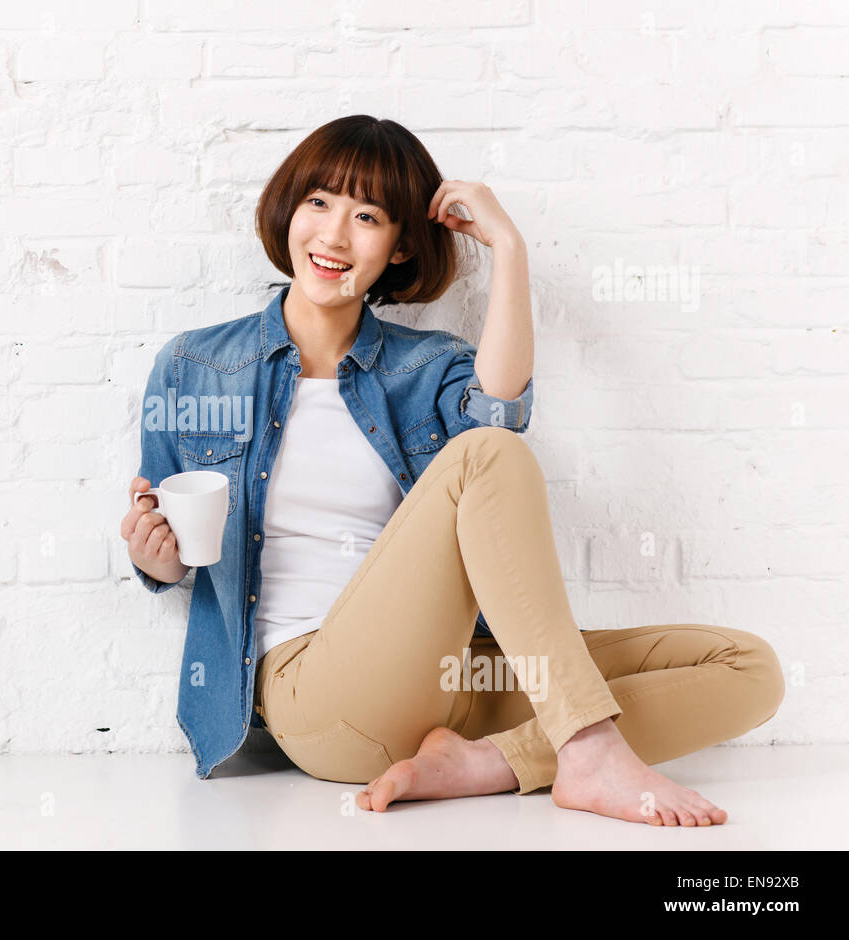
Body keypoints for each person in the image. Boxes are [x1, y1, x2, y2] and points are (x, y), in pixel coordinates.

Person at [120, 115, 785, 826]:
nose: (335, 235)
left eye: (367, 216)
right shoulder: (196, 366)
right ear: (290, 209)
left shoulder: (422, 366)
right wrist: (151, 556)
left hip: (452, 678)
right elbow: (173, 555)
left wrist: (509, 246)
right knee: (485, 454)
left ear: (400, 246)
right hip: (316, 693)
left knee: (748, 668)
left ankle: (495, 761)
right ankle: (586, 748)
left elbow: (499, 414)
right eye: (319, 202)